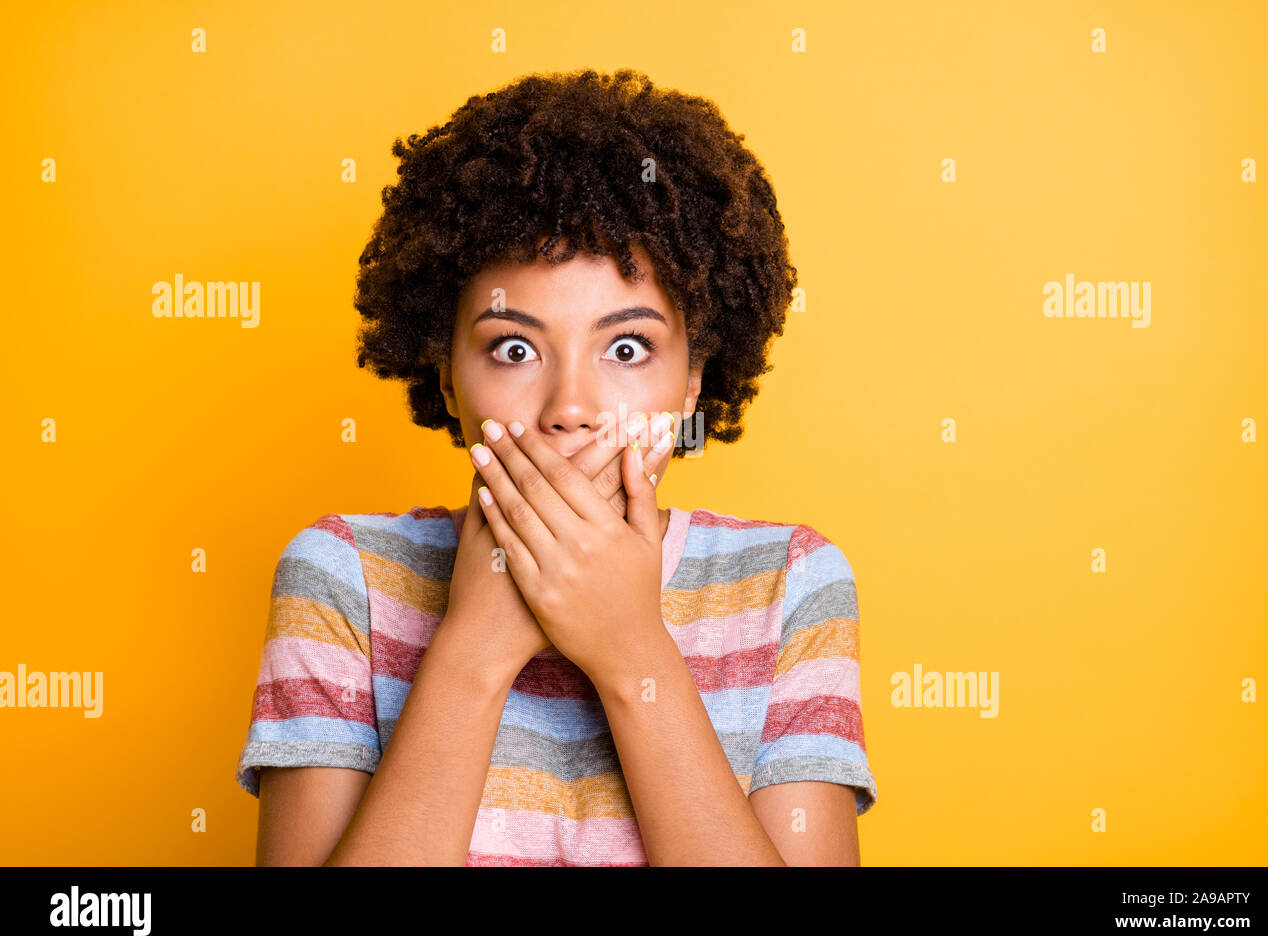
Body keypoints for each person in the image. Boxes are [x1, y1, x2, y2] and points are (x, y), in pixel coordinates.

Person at [235, 68, 878, 866]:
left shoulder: (789, 585)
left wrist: (633, 653)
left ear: (692, 381)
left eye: (627, 348)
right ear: (447, 378)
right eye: (514, 349)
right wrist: (474, 648)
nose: (569, 408)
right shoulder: (342, 579)